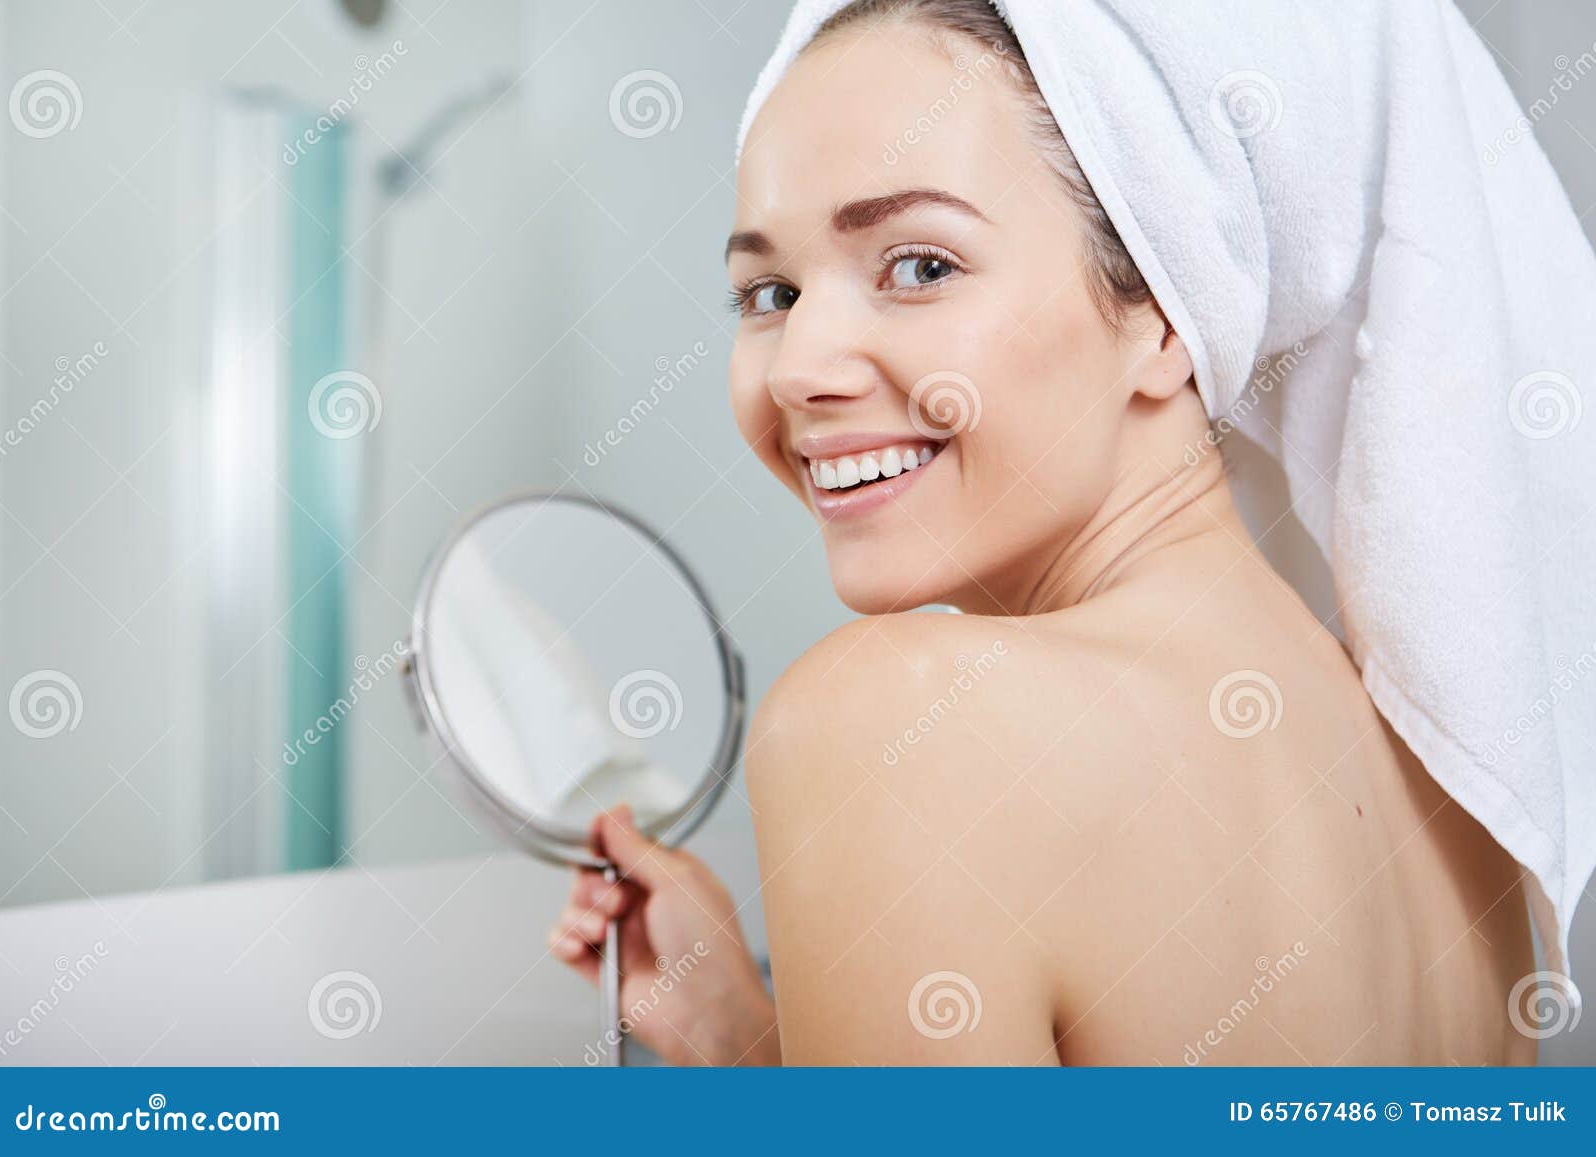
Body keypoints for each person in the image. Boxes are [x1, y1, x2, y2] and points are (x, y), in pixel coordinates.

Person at [549, 0, 1535, 1065]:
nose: (797, 368)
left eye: (919, 265)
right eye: (770, 291)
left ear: (1163, 307)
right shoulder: (1442, 764)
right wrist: (742, 1037)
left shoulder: (894, 722)